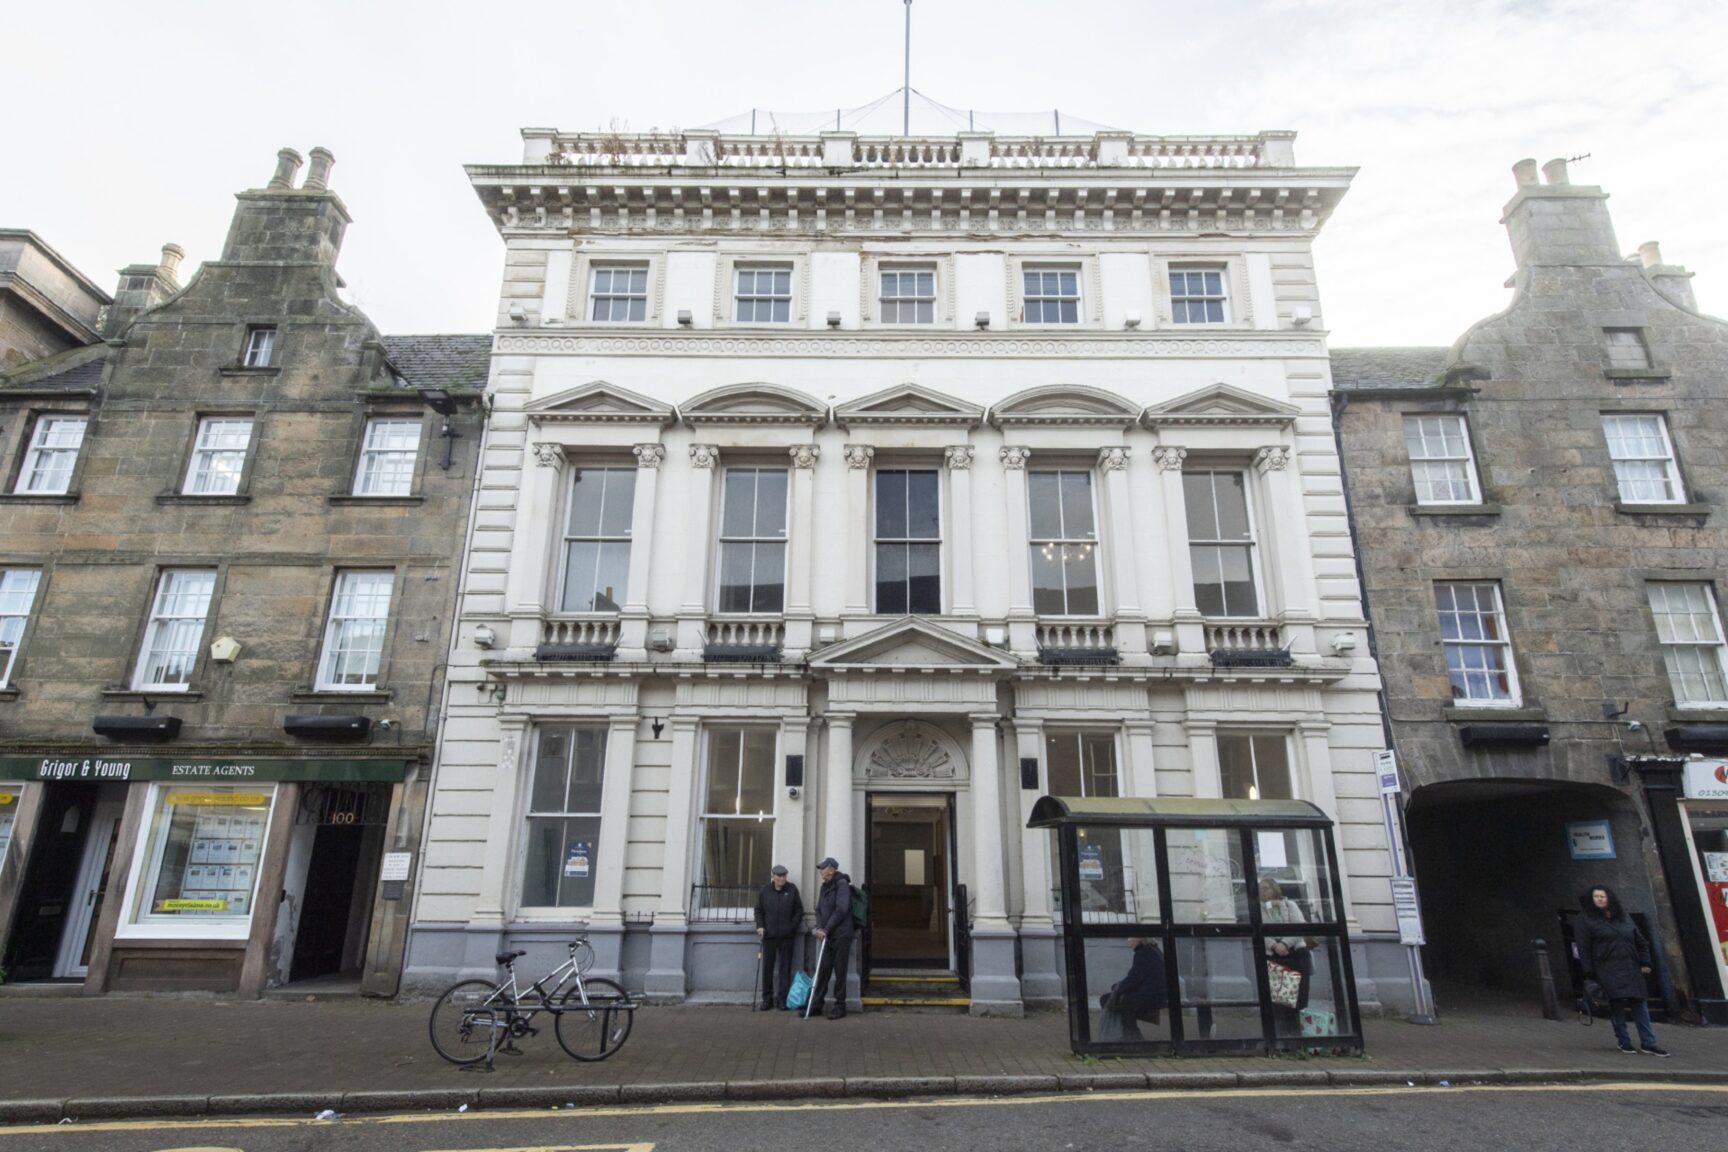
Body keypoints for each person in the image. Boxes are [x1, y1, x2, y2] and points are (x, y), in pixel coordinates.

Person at [1573, 885, 1669, 1057]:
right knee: (1616, 1005)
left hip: (1630, 966)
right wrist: (1588, 971)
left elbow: (1640, 940)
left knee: (1640, 1004)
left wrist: (1646, 961)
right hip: (1606, 967)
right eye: (1596, 896)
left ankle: (1649, 1043)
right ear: (1591, 899)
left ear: (1610, 898)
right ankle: (1624, 1042)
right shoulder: (1585, 919)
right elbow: (1583, 947)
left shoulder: (1623, 917)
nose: (1600, 899)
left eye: (1603, 896)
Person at [1259, 877, 1313, 1035]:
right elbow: (1259, 931)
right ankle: (1282, 1035)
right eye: (1260, 889)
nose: (1263, 892)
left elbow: (1299, 927)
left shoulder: (1290, 905)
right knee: (1280, 999)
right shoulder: (1259, 909)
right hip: (1275, 955)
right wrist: (1274, 945)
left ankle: (1297, 1034)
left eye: (1266, 888)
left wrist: (1285, 943)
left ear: (1275, 889)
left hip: (1296, 954)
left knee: (1297, 998)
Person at [808, 856, 855, 1020]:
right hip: (827, 935)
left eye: (823, 868)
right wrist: (820, 927)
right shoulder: (824, 887)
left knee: (840, 971)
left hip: (841, 934)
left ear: (831, 870)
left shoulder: (842, 885)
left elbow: (842, 909)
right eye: (820, 868)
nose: (820, 871)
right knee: (823, 969)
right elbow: (819, 909)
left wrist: (826, 929)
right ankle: (816, 1005)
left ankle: (840, 1006)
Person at [1098, 936, 1167, 1040]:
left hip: (1151, 996)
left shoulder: (1144, 953)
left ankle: (1129, 1035)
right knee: (1121, 1001)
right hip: (1157, 994)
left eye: (1131, 938)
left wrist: (1117, 988)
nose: (1128, 941)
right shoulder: (1153, 950)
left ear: (1139, 939)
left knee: (1107, 999)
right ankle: (1131, 1034)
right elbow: (1137, 978)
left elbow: (1135, 978)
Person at [754, 864, 802, 1010]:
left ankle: (782, 999)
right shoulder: (765, 891)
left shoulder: (792, 889)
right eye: (779, 876)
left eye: (784, 876)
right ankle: (767, 999)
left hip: (787, 937)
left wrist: (792, 927)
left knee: (785, 969)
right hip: (769, 936)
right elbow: (758, 910)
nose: (782, 878)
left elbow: (799, 910)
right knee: (767, 969)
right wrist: (760, 926)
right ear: (773, 877)